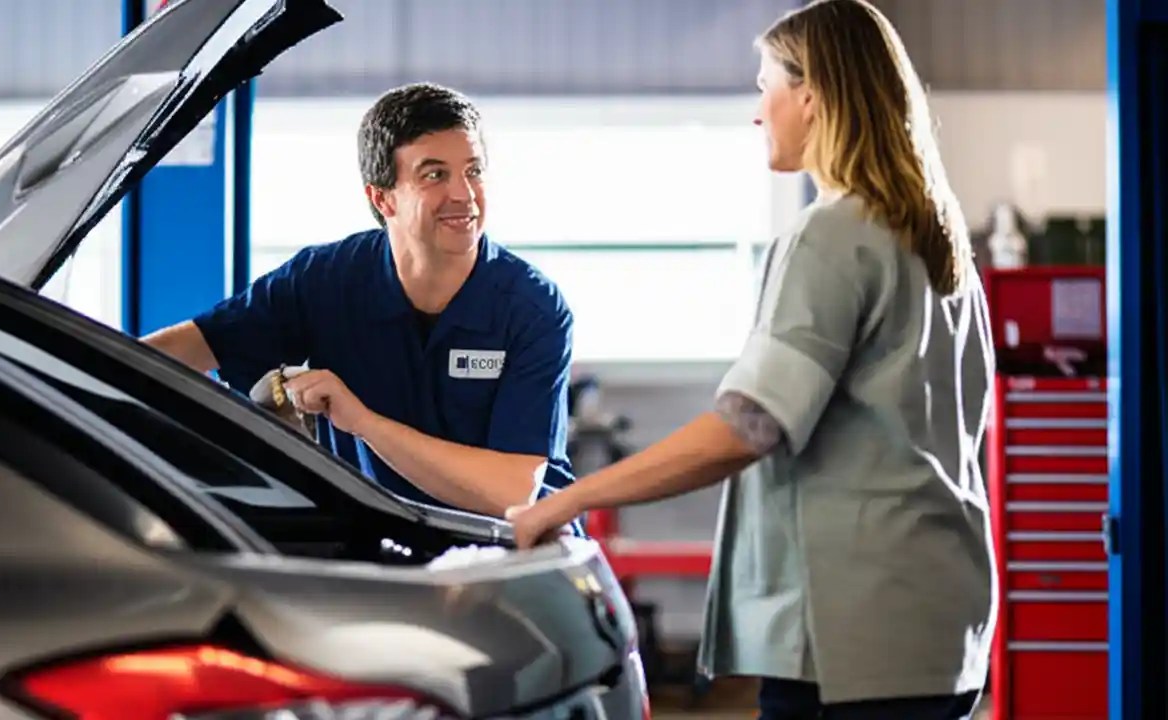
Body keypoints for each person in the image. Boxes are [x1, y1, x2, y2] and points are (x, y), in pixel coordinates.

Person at [507, 1, 995, 718]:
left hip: (850, 636)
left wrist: (571, 499)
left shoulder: (834, 233)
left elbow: (748, 428)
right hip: (936, 624)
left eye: (764, 83)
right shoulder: (933, 235)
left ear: (812, 94)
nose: (756, 111)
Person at [143, 82, 575, 518]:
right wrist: (77, 381)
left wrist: (363, 423)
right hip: (387, 546)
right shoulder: (326, 282)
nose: (464, 194)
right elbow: (190, 348)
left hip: (514, 554)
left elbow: (511, 493)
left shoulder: (531, 309)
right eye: (434, 174)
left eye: (474, 171)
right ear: (381, 197)